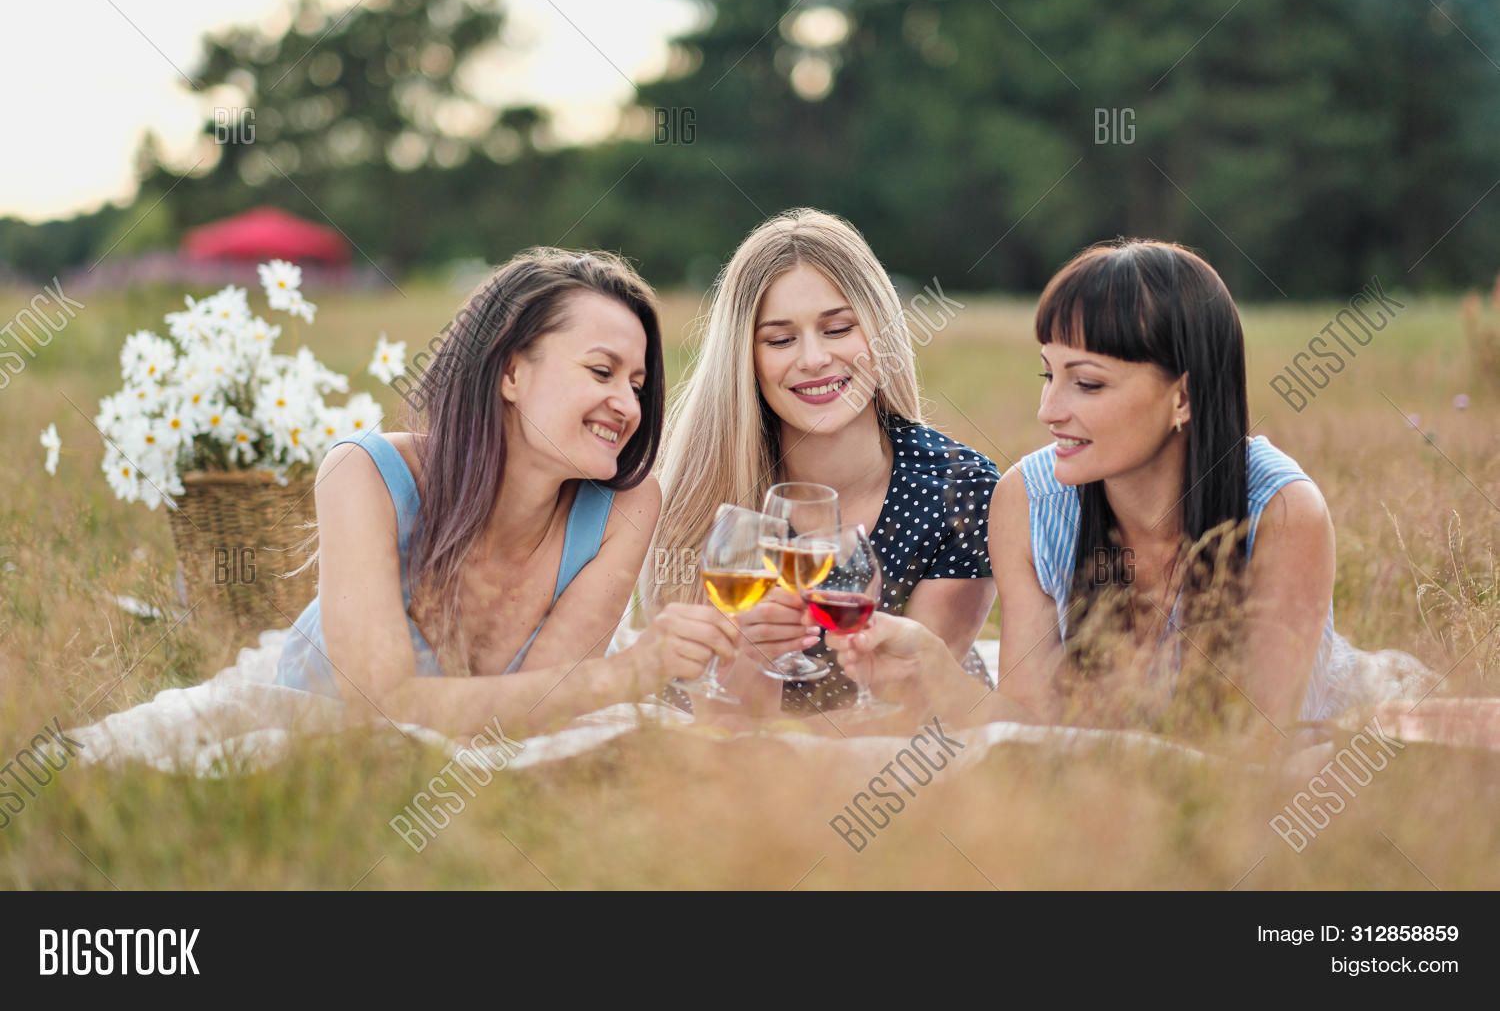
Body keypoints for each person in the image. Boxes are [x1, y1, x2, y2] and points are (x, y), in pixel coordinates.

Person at [829, 239, 1436, 745]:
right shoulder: (1028, 501)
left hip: (1318, 728)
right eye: (1048, 374)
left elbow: (1247, 750)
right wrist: (936, 673)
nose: (1048, 410)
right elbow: (1029, 728)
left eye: (1087, 384)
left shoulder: (1280, 511)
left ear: (1184, 397)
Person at [274, 249, 743, 738]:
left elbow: (533, 719)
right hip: (318, 767)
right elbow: (385, 705)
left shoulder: (626, 508)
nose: (628, 405)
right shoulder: (364, 473)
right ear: (511, 373)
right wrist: (628, 673)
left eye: (638, 385)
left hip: (485, 789)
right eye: (602, 372)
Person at [641, 209, 1000, 716]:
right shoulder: (705, 490)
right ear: (746, 358)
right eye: (781, 340)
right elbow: (721, 731)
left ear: (881, 335)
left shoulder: (962, 490)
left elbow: (908, 714)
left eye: (837, 329)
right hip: (736, 758)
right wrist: (754, 655)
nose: (813, 359)